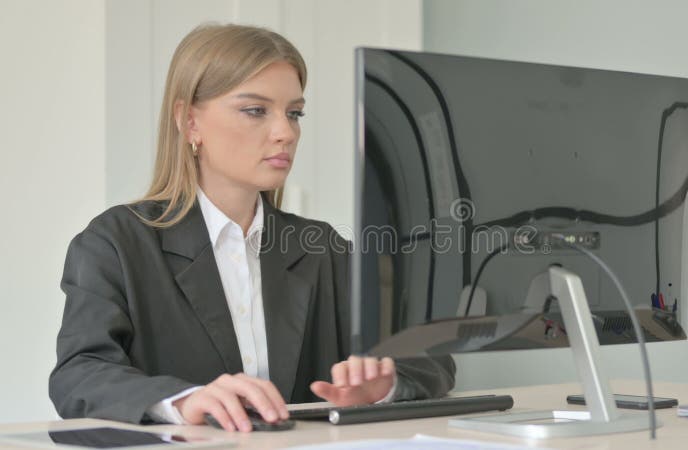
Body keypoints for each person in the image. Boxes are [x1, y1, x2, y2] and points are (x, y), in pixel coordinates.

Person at [49, 23, 455, 432]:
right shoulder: (115, 244)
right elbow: (79, 374)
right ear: (189, 122)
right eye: (255, 110)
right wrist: (183, 401)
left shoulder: (323, 249)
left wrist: (383, 385)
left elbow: (433, 359)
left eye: (294, 113)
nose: (285, 133)